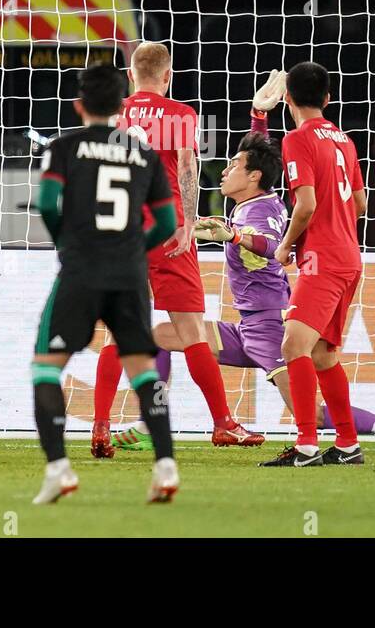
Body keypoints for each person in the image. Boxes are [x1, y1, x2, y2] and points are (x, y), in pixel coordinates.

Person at [149, 71, 375, 457]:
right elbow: (262, 158)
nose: (226, 170)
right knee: (162, 336)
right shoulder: (260, 198)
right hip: (247, 324)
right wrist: (258, 115)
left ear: (253, 177)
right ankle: (154, 420)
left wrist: (235, 237)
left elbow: (266, 245)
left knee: (311, 412)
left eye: (233, 165)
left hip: (269, 328)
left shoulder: (258, 212)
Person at [90, 42, 263, 457]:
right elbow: (186, 165)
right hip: (166, 230)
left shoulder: (113, 113)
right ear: (167, 76)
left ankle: (100, 426)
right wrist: (188, 222)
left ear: (131, 75)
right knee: (191, 330)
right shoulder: (180, 114)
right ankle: (223, 423)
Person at [30, 64, 179, 504]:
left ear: (79, 104)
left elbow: (47, 205)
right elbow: (168, 221)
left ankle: (58, 469)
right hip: (130, 275)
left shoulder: (65, 147)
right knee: (143, 369)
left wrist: (69, 245)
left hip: (82, 270)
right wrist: (135, 248)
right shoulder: (144, 154)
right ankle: (166, 466)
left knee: (45, 365)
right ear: (122, 105)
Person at [260, 61, 368, 467]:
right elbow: (359, 203)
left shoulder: (297, 139)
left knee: (292, 345)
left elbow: (305, 204)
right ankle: (347, 444)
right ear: (327, 98)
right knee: (322, 354)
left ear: (287, 98)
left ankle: (305, 445)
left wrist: (287, 245)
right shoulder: (344, 140)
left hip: (322, 259)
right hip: (349, 256)